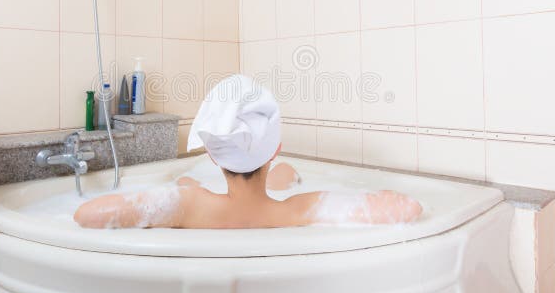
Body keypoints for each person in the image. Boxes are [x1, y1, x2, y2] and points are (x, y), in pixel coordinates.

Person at [74, 75, 422, 229]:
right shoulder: (297, 210)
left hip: (202, 202)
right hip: (273, 203)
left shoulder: (189, 206)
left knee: (188, 182)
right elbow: (409, 208)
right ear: (275, 149)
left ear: (212, 156)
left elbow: (86, 215)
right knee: (286, 175)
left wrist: (184, 194)